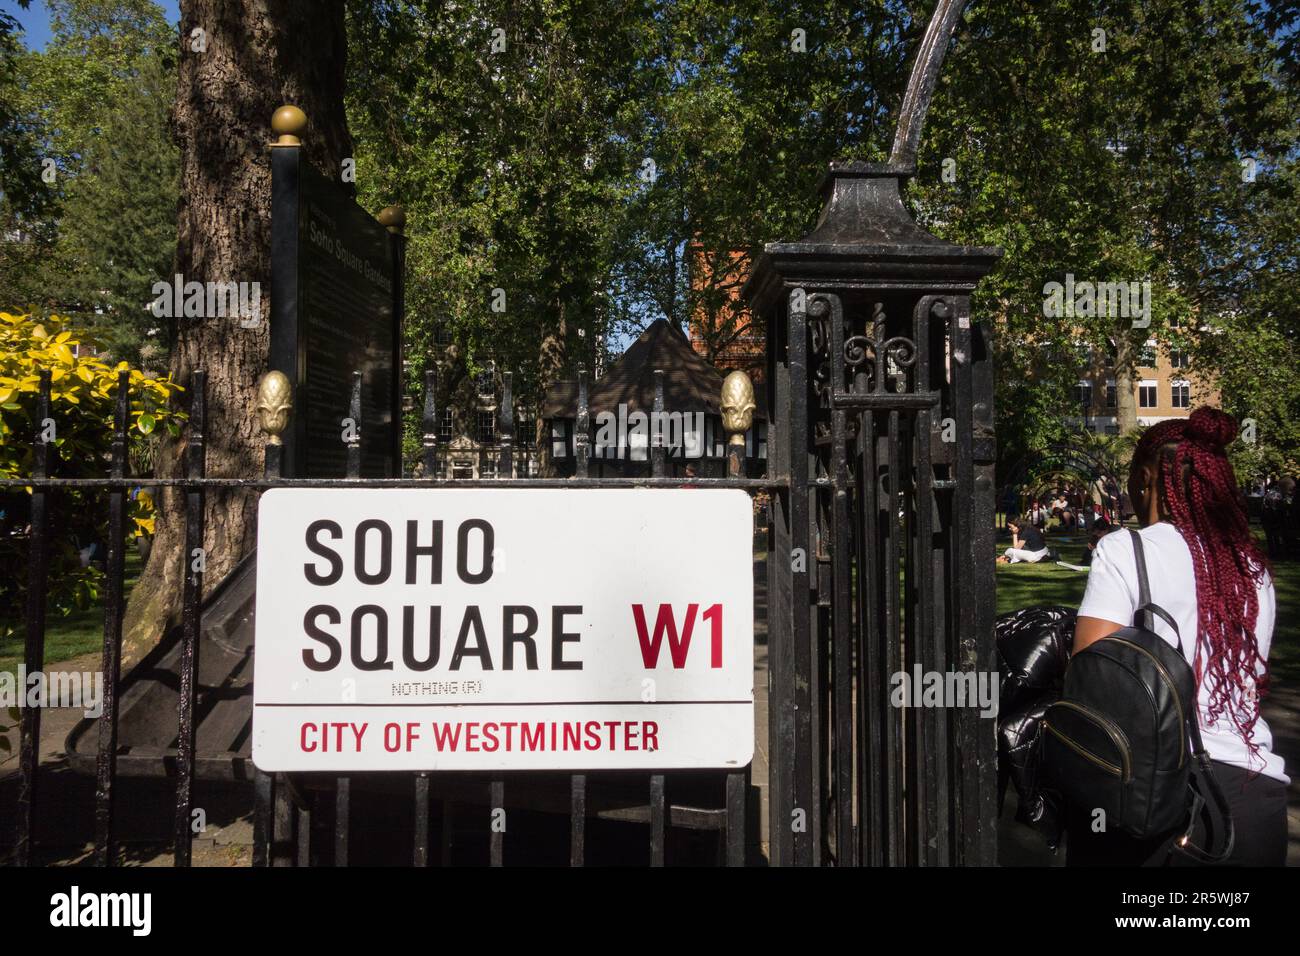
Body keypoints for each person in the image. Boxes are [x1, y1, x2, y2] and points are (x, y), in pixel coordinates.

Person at [1068, 407, 1287, 866]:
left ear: (1146, 479)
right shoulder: (1252, 570)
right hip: (1254, 802)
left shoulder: (1125, 549)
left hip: (1153, 799)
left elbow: (1090, 674)